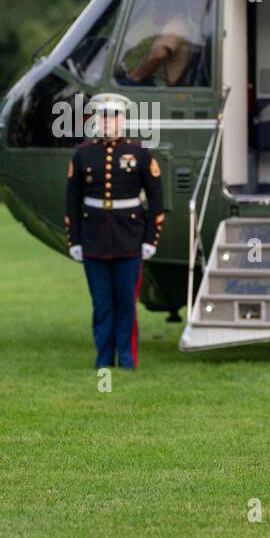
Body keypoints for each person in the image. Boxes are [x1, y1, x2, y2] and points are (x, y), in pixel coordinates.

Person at [64, 93, 165, 369]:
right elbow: (72, 200)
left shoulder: (139, 153)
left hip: (129, 238)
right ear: (97, 120)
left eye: (114, 117)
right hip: (93, 238)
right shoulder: (83, 153)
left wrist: (150, 239)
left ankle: (127, 357)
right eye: (104, 117)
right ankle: (103, 358)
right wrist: (73, 239)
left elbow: (156, 198)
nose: (109, 122)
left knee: (126, 304)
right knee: (102, 304)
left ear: (123, 120)